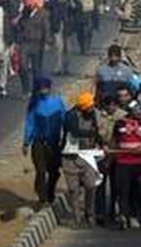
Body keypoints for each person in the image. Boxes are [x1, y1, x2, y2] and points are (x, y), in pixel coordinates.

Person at [23, 76, 67, 206]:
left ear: (49, 88)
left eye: (45, 88)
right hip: (38, 143)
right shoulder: (34, 105)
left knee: (54, 171)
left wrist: (67, 137)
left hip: (54, 143)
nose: (43, 91)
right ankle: (42, 198)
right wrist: (26, 142)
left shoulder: (57, 102)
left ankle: (50, 193)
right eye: (40, 88)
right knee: (41, 171)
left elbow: (65, 119)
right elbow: (30, 123)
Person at [61, 91, 102, 226]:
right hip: (70, 157)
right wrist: (92, 133)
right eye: (89, 107)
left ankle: (90, 214)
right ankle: (76, 218)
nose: (91, 109)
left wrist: (100, 143)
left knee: (91, 186)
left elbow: (98, 132)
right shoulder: (71, 116)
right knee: (73, 190)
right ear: (82, 107)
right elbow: (75, 132)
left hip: (87, 155)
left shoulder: (93, 114)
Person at [111, 98, 141, 228]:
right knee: (123, 190)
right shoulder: (120, 123)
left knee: (138, 190)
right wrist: (111, 150)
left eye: (140, 110)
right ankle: (123, 216)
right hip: (123, 162)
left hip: (140, 162)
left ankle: (134, 216)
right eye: (136, 110)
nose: (139, 112)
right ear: (130, 111)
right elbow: (114, 140)